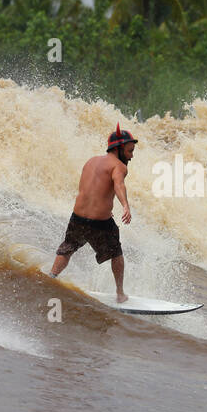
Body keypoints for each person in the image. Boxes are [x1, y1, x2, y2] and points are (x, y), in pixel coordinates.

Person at [50, 125, 137, 302]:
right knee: (116, 254)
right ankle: (120, 294)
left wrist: (104, 208)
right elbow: (119, 185)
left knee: (68, 248)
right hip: (99, 223)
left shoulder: (91, 161)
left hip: (77, 218)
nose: (131, 156)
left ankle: (51, 278)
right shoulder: (119, 166)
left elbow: (90, 189)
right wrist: (125, 206)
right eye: (129, 151)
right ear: (118, 149)